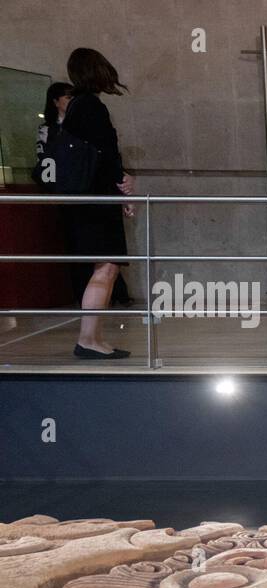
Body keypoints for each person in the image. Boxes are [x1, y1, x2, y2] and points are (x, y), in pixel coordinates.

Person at [60, 48, 135, 359]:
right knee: (106, 268)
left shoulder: (76, 107)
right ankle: (88, 338)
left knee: (105, 268)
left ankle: (92, 337)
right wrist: (123, 185)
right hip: (96, 200)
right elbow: (105, 153)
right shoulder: (91, 107)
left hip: (84, 199)